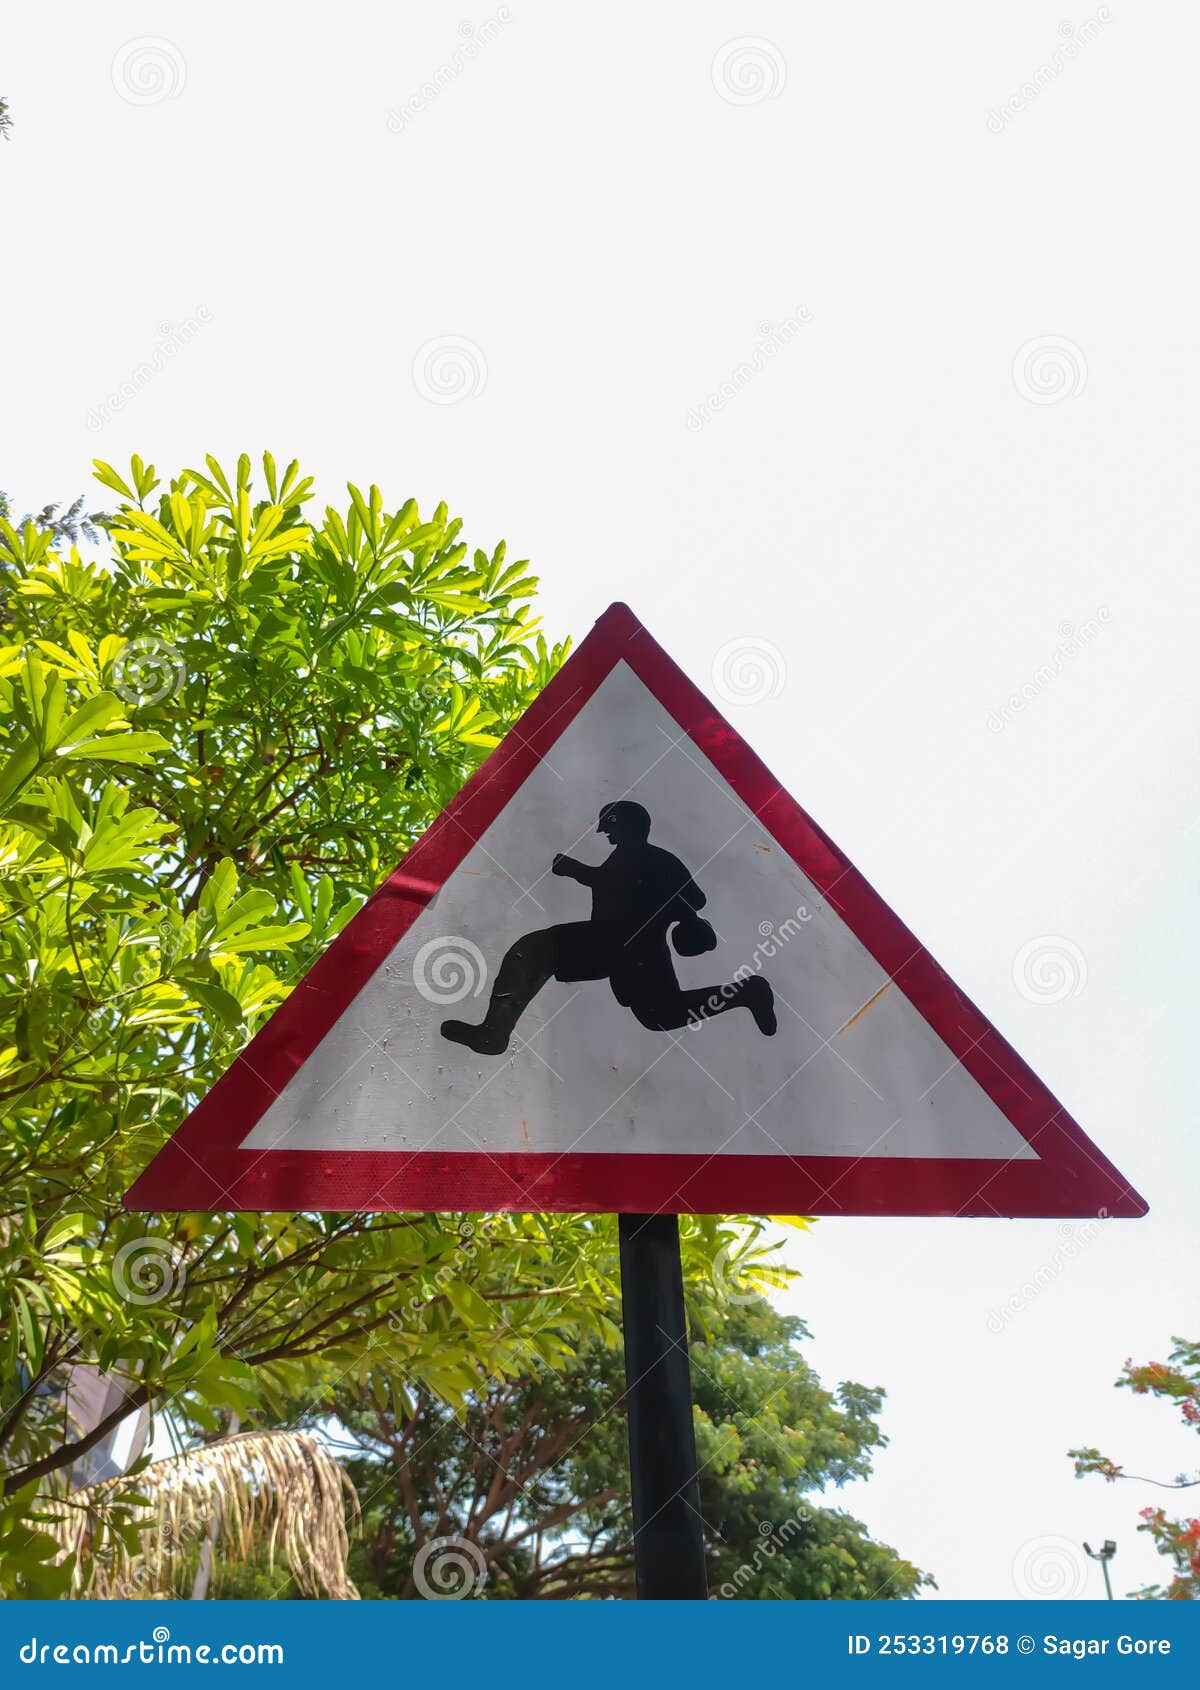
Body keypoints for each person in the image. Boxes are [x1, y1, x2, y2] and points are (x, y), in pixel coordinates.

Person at [441, 800, 776, 1055]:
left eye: (611, 826)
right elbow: (610, 883)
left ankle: (748, 992)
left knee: (535, 952)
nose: (606, 834)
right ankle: (494, 1031)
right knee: (656, 1013)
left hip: (632, 946)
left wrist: (659, 909)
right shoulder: (621, 857)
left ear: (631, 827)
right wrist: (578, 871)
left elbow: (695, 899)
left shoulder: (659, 860)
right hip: (613, 943)